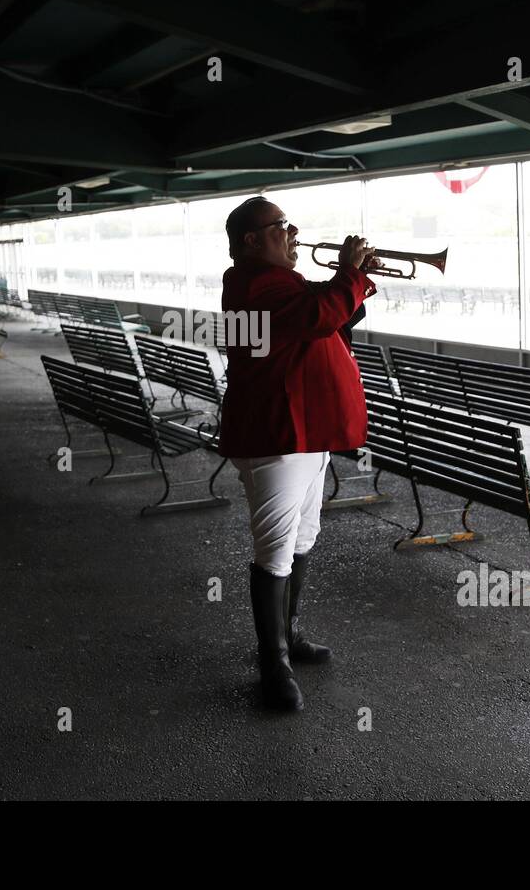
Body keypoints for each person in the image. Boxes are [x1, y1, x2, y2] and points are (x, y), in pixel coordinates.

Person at [219, 196, 378, 711]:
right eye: (281, 226)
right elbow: (318, 313)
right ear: (251, 239)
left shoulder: (277, 283)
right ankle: (273, 665)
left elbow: (332, 316)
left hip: (307, 433)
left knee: (303, 537)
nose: (293, 232)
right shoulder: (252, 282)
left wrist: (352, 279)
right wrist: (349, 272)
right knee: (275, 550)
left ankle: (288, 636)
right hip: (277, 438)